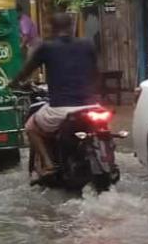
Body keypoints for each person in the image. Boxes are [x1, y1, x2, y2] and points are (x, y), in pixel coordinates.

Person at [13, 13, 99, 180]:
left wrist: (13, 83)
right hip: (92, 106)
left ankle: (49, 164)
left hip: (62, 109)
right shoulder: (88, 44)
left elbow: (25, 71)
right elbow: (97, 73)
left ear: (52, 28)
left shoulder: (46, 48)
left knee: (31, 127)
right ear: (72, 26)